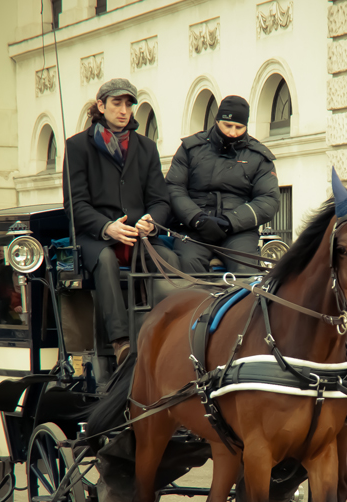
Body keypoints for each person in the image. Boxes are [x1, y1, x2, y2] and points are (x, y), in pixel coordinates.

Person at [62, 78, 178, 364]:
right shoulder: (77, 146)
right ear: (101, 106)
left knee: (170, 259)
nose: (124, 110)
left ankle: (171, 334)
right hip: (95, 237)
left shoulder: (147, 148)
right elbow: (74, 204)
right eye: (117, 103)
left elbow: (160, 201)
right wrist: (106, 227)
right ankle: (120, 342)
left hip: (139, 237)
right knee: (106, 261)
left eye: (128, 104)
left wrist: (151, 222)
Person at [165, 95, 280, 274]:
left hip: (239, 232)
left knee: (247, 272)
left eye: (239, 127)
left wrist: (229, 222)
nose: (233, 133)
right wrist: (197, 218)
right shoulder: (190, 148)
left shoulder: (259, 156)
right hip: (194, 229)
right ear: (217, 121)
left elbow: (268, 200)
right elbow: (174, 188)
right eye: (228, 126)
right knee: (187, 265)